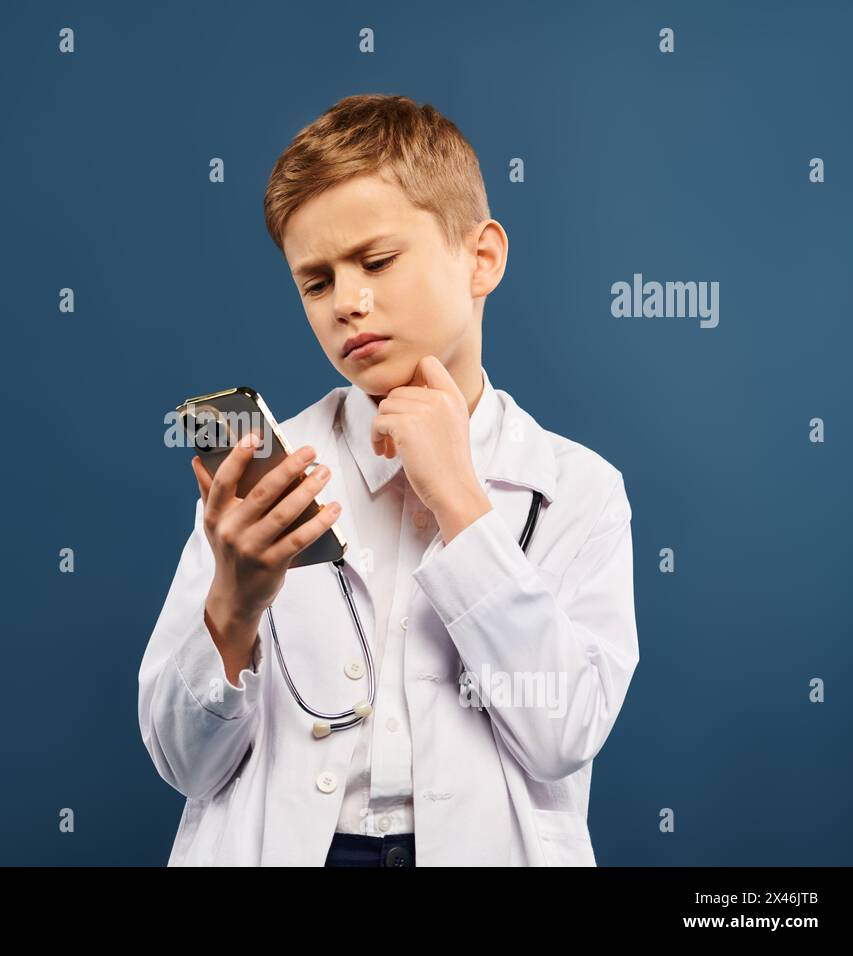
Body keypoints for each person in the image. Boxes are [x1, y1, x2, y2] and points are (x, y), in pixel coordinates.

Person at [137, 93, 639, 866]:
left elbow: (563, 736)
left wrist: (462, 505)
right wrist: (232, 608)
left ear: (482, 259)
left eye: (377, 261)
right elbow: (182, 764)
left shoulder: (578, 488)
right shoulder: (266, 471)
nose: (349, 303)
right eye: (316, 281)